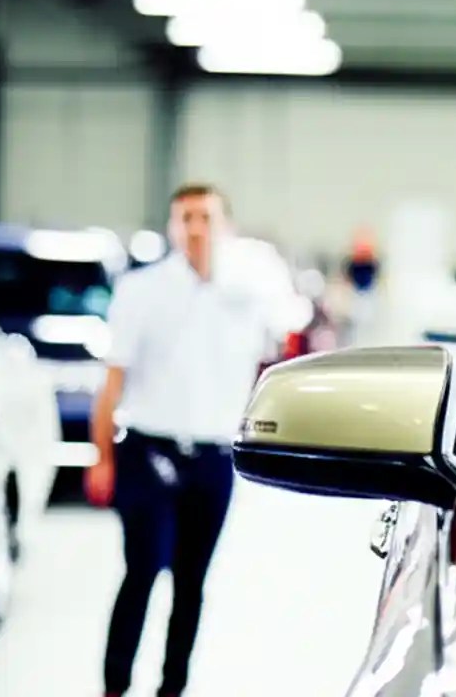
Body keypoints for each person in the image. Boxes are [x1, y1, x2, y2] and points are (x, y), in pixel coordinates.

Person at [84, 183, 292, 697]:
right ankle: (115, 685)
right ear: (173, 227)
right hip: (149, 450)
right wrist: (101, 456)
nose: (196, 228)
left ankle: (172, 687)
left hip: (213, 457)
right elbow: (112, 382)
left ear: (226, 226)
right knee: (142, 570)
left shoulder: (250, 292)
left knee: (191, 584)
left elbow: (282, 348)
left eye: (206, 217)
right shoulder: (142, 290)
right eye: (186, 218)